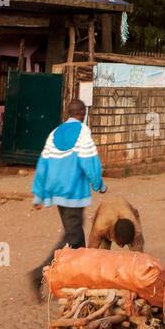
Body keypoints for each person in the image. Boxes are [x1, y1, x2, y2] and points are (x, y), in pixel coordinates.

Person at [29, 98, 106, 295]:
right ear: (82, 113)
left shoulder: (54, 133)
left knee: (77, 239)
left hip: (57, 193)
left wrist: (39, 194)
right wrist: (99, 184)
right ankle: (40, 273)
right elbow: (89, 161)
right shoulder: (83, 132)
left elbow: (43, 164)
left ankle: (79, 281)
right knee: (73, 236)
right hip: (74, 193)